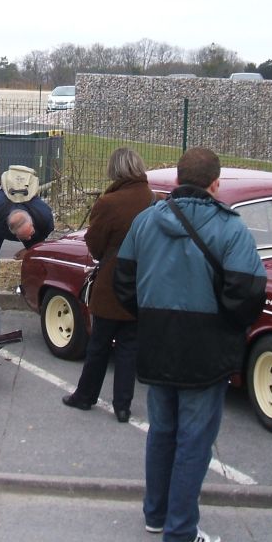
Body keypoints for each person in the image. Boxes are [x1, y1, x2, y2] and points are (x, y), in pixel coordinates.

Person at [114, 147, 266, 542]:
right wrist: (225, 325)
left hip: (157, 340)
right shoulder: (232, 228)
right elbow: (248, 294)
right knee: (195, 439)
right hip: (206, 346)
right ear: (216, 184)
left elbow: (123, 283)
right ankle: (181, 533)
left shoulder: (145, 222)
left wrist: (149, 316)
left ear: (179, 179)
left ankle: (157, 513)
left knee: (162, 432)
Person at [62, 147, 153, 423]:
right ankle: (122, 406)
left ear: (115, 170)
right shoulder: (152, 199)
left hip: (112, 283)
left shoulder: (109, 203)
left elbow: (96, 246)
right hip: (142, 282)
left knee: (99, 344)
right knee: (128, 346)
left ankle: (86, 395)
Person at [0, 165, 54, 294]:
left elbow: (40, 237)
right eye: (24, 238)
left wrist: (28, 249)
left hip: (19, 211)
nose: (28, 238)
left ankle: (36, 294)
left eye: (30, 233)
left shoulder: (43, 217)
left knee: (35, 259)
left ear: (32, 222)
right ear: (13, 233)